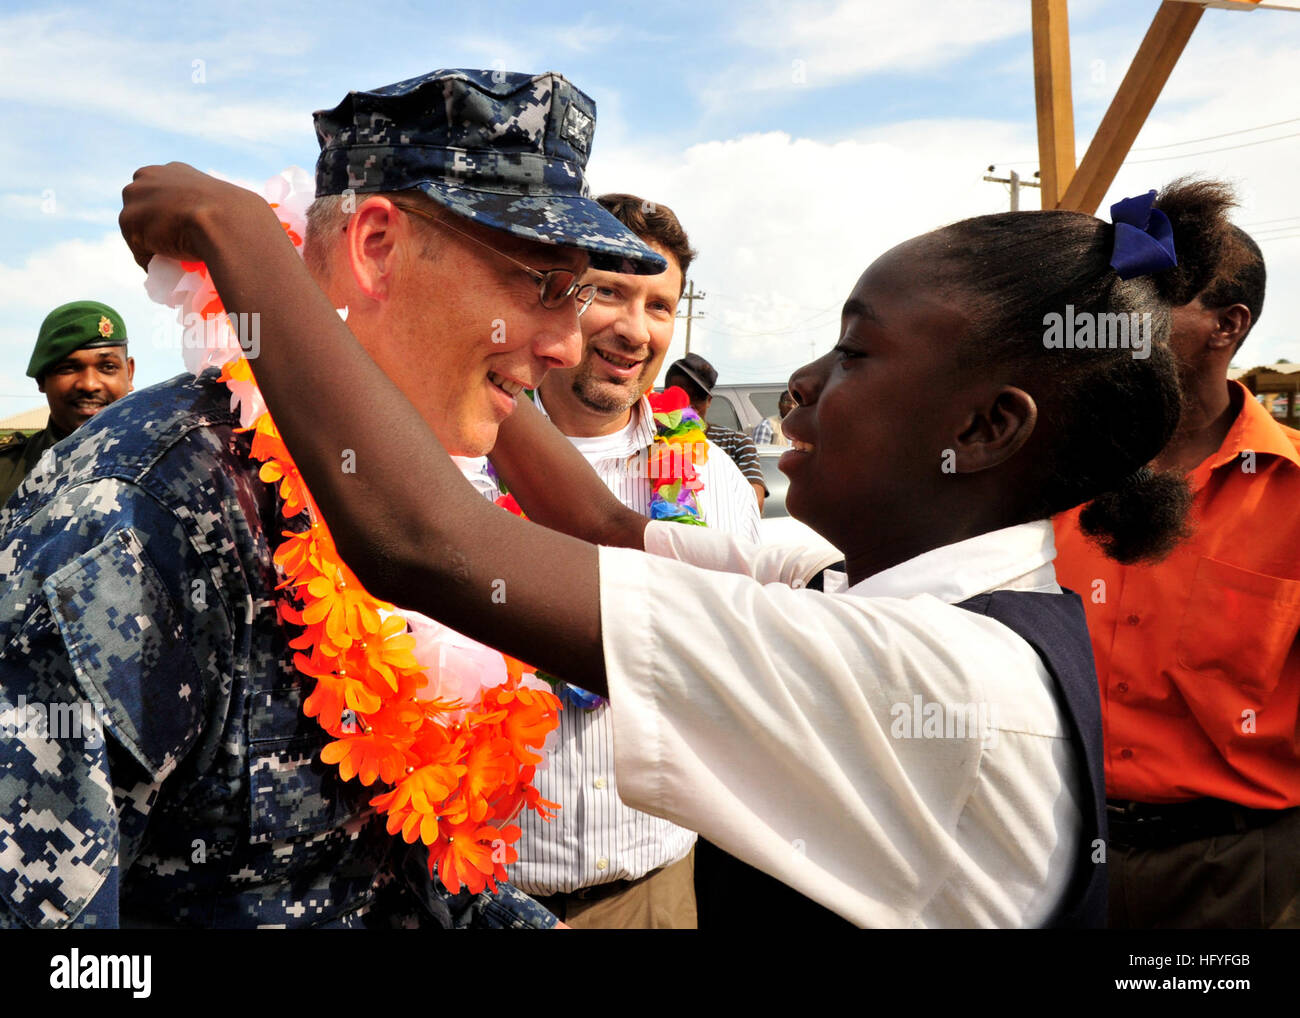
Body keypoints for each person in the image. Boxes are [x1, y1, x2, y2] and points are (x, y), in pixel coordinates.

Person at [120, 165, 1239, 926]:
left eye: (854, 354)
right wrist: (473, 352)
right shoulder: (868, 586)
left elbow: (426, 540)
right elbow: (603, 528)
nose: (799, 384)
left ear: (986, 428)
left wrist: (238, 241)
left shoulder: (941, 681)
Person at [0, 68, 665, 929]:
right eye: (543, 283)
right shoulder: (144, 509)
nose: (569, 344)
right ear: (378, 246)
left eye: (579, 292)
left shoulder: (449, 487)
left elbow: (410, 873)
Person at [514, 193, 762, 928]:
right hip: (476, 889)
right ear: (552, 294)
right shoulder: (458, 457)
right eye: (610, 293)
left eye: (660, 305)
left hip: (652, 894)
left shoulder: (712, 479)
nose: (635, 329)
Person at [1053, 225, 1300, 929]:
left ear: (1228, 325)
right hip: (1060, 853)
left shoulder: (1293, 490)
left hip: (1240, 876)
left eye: (1156, 295)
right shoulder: (1057, 475)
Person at [0, 300, 135, 504]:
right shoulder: (5, 473)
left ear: (130, 373)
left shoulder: (172, 465)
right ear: (41, 379)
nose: (89, 385)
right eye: (68, 368)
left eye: (107, 367)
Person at [664, 353, 768, 511]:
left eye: (697, 397)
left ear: (709, 402)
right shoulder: (651, 441)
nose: (689, 405)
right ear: (665, 396)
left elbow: (754, 503)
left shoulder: (736, 443)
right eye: (680, 396)